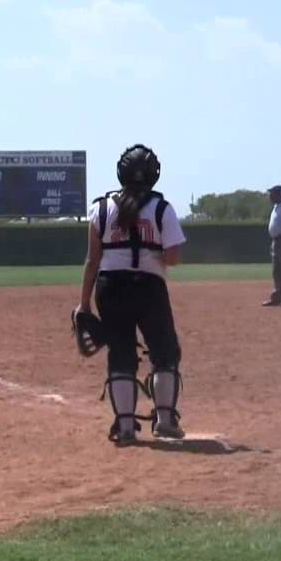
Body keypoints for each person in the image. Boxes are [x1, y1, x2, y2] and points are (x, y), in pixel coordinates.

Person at [78, 144, 187, 446]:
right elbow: (174, 257)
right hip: (149, 287)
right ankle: (165, 420)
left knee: (121, 353)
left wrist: (83, 302)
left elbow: (92, 261)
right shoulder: (162, 208)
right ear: (154, 176)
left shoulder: (101, 208)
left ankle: (125, 427)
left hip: (110, 287)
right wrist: (152, 253)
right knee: (164, 352)